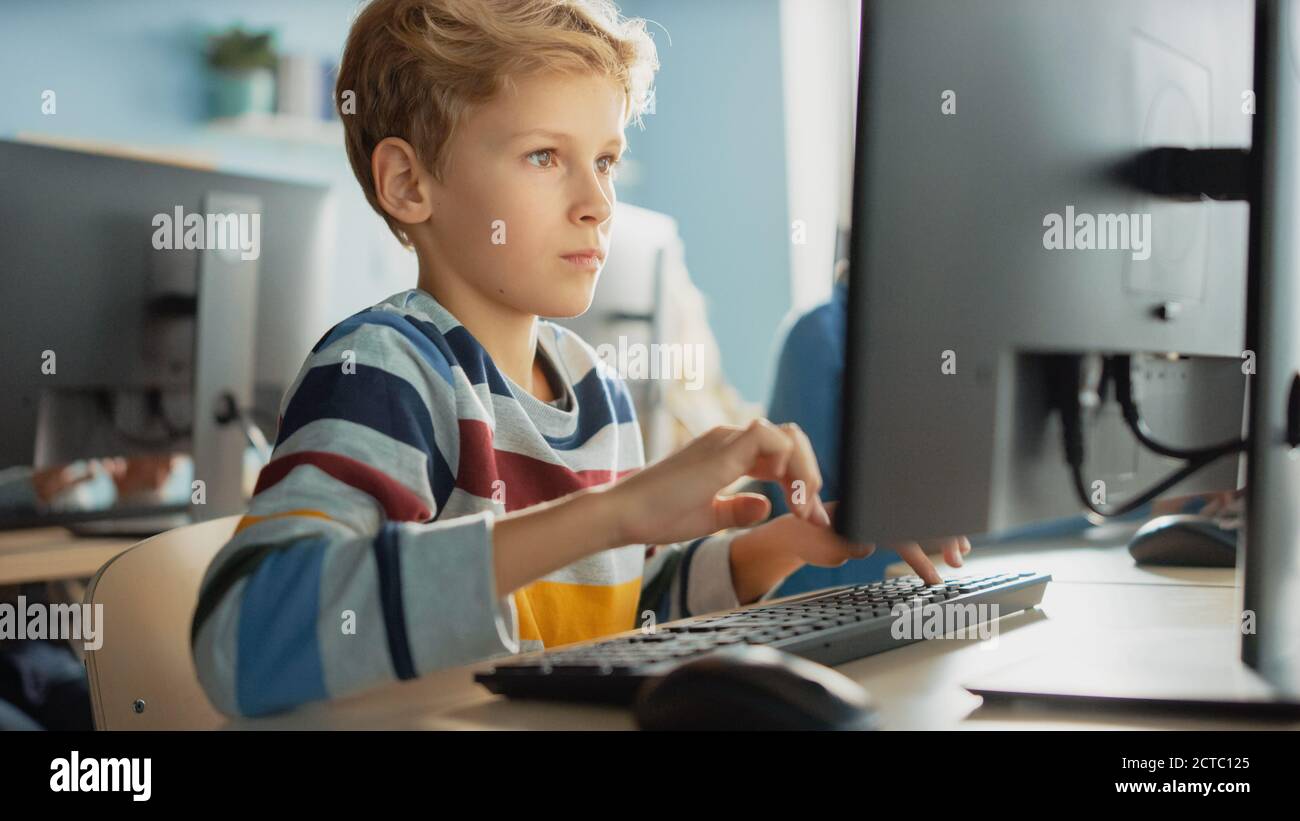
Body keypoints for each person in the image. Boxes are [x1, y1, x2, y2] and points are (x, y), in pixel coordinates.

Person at [190, 0, 972, 718]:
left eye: (603, 159)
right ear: (408, 182)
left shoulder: (595, 390)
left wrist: (783, 545)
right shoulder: (385, 371)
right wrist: (609, 515)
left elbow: (618, 617)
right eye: (542, 156)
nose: (598, 200)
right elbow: (243, 636)